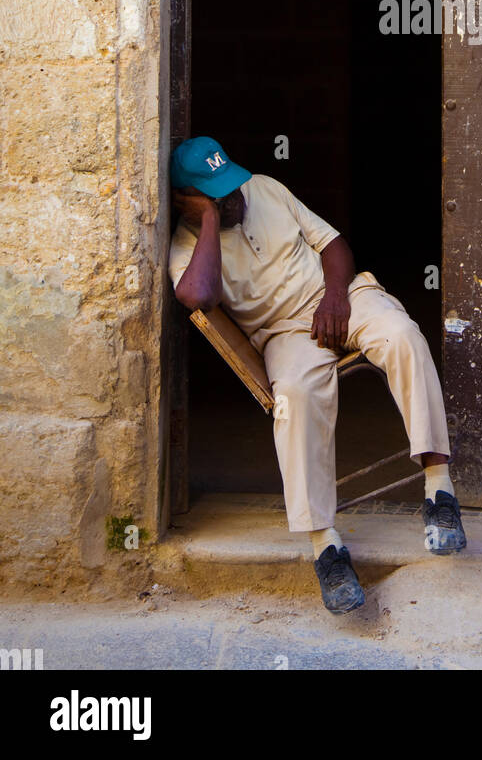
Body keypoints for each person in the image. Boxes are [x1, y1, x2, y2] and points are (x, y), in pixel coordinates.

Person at [168, 135, 466, 614]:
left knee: (401, 335)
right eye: (217, 195)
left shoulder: (263, 187)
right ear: (188, 200)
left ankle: (439, 489)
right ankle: (325, 546)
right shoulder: (187, 247)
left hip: (339, 299)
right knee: (293, 398)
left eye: (232, 184)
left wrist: (335, 297)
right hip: (285, 334)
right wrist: (206, 219)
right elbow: (196, 296)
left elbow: (332, 243)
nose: (234, 197)